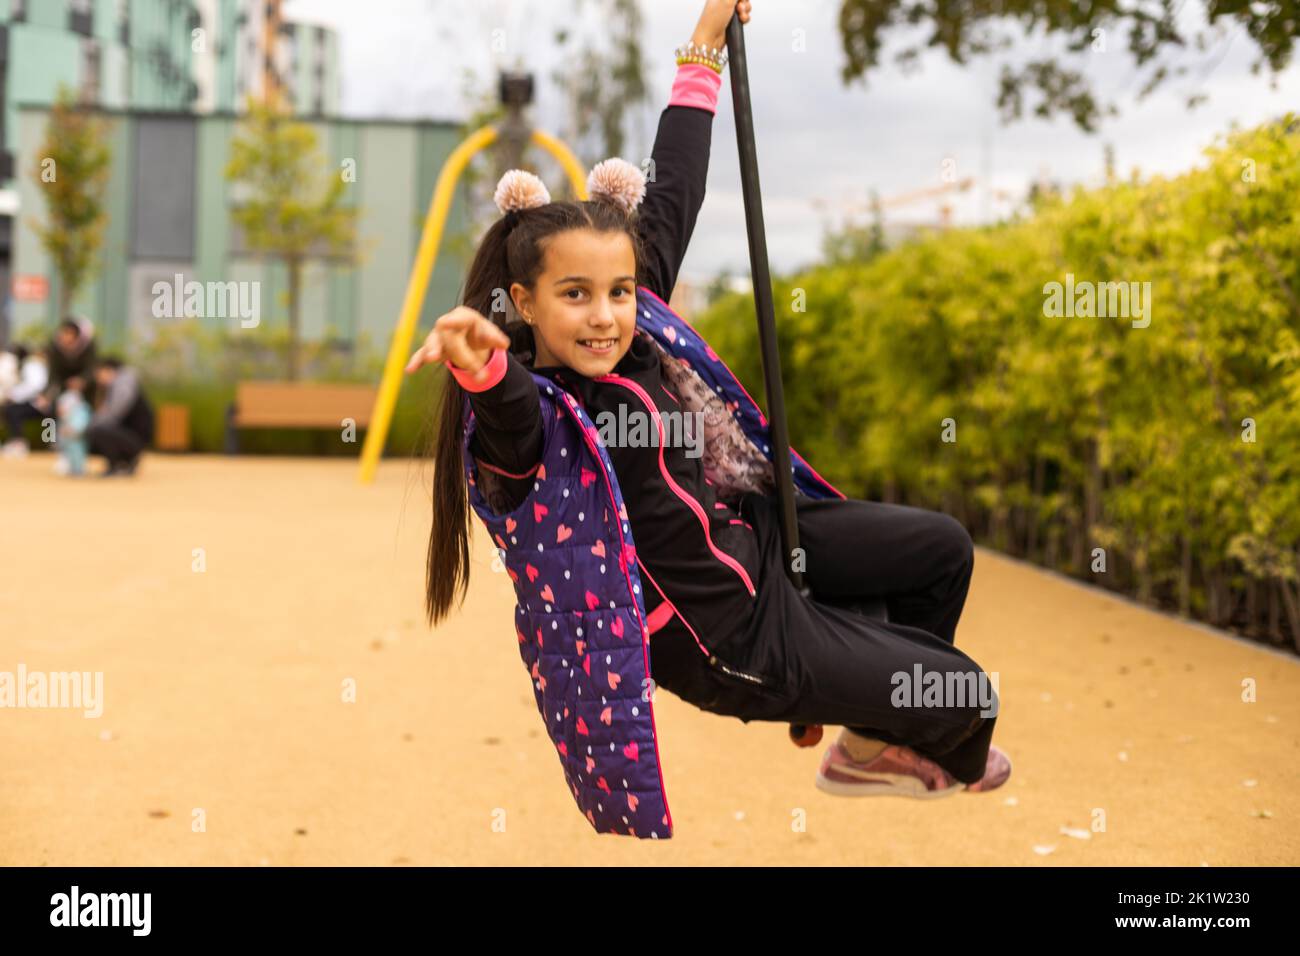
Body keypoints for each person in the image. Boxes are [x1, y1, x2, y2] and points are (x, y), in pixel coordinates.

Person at [406, 0, 1009, 836]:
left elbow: (676, 183)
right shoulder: (541, 420)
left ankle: (866, 733)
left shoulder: (632, 325)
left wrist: (705, 41)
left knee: (942, 552)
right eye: (573, 296)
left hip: (758, 543)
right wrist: (484, 367)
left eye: (618, 291)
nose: (605, 316)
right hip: (726, 637)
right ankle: (887, 718)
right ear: (524, 304)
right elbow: (507, 423)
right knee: (965, 699)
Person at [87, 357, 154, 477]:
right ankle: (124, 463)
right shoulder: (120, 384)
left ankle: (116, 465)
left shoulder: (123, 385)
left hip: (136, 438)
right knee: (97, 431)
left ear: (108, 370)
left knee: (98, 432)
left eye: (99, 374)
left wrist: (89, 426)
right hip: (130, 435)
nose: (98, 379)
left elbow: (114, 414)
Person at [1, 345, 50, 458]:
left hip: (41, 403)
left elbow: (35, 385)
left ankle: (20, 443)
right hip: (33, 402)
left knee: (13, 411)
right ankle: (17, 442)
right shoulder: (27, 365)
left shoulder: (31, 365)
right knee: (12, 411)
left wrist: (13, 395)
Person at [44, 316, 98, 408]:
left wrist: (82, 380)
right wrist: (47, 393)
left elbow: (92, 367)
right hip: (63, 383)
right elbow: (53, 372)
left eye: (70, 333)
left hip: (85, 385)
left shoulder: (88, 346)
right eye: (64, 332)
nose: (66, 337)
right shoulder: (55, 347)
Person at [55, 376, 92, 477]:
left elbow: (82, 417)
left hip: (75, 430)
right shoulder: (67, 398)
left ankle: (77, 469)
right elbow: (61, 412)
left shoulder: (81, 401)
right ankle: (72, 467)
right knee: (68, 448)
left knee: (77, 449)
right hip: (69, 428)